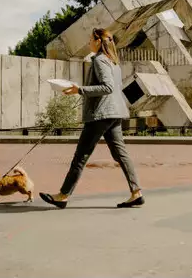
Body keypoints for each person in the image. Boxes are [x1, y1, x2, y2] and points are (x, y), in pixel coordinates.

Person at [40, 28, 144, 210]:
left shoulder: (99, 60)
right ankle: (136, 193)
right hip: (115, 113)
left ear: (98, 41)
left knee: (81, 156)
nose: (89, 43)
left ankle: (63, 195)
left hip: (101, 115)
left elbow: (107, 87)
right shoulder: (114, 63)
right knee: (121, 154)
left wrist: (79, 89)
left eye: (90, 39)